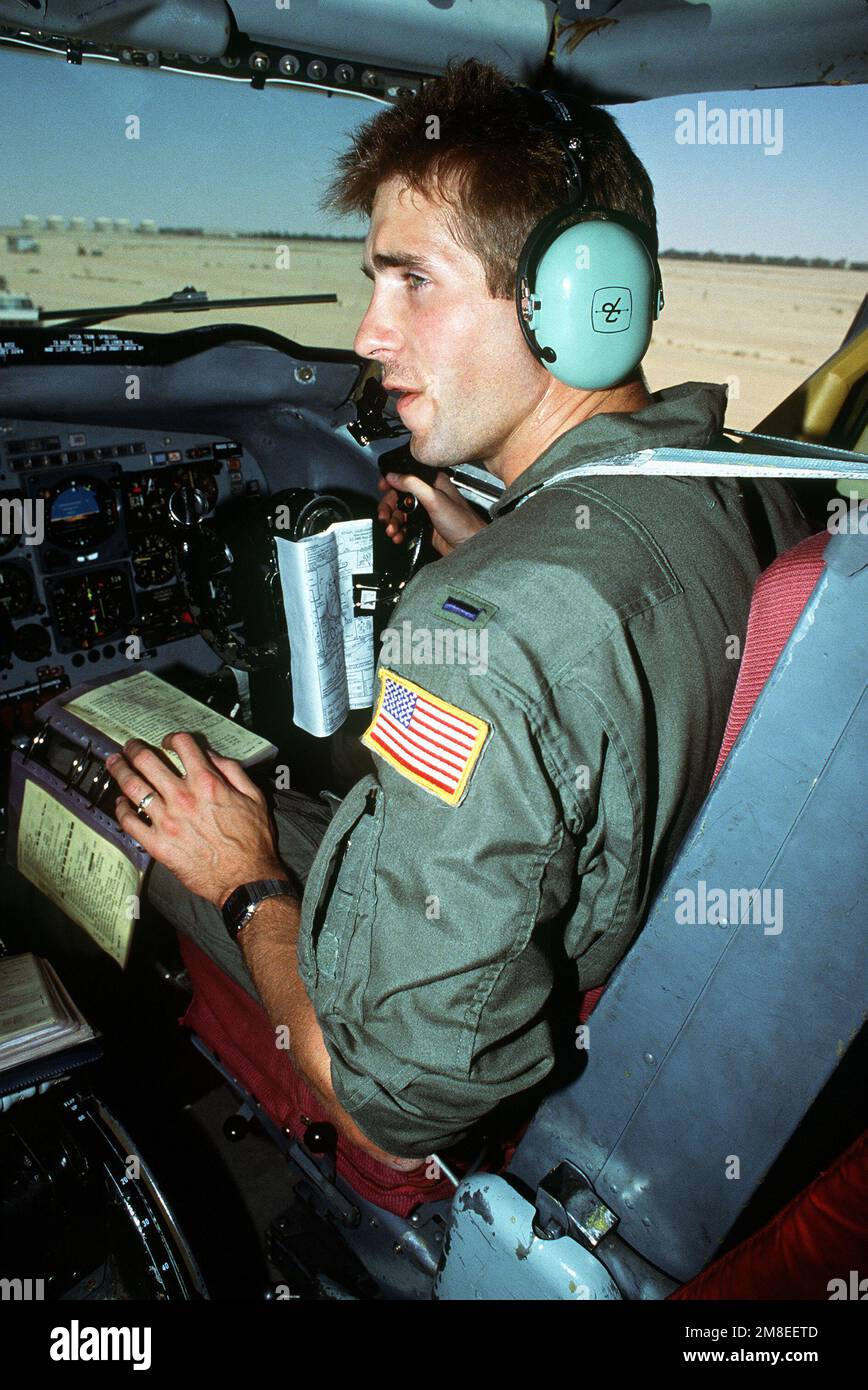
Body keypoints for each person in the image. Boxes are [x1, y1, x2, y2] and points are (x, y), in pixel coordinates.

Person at [107, 60, 808, 1170]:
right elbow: (621, 626)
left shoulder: (488, 639)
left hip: (460, 1065)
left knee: (121, 785)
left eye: (411, 283)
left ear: (568, 297)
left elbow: (396, 1114)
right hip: (646, 937)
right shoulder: (751, 484)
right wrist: (499, 549)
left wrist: (245, 882)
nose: (368, 334)